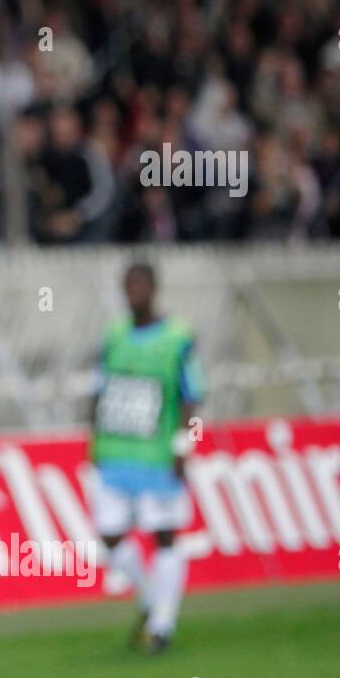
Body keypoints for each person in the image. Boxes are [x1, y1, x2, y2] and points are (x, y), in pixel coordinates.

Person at [89, 262, 205, 653]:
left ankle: (162, 625)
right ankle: (151, 599)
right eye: (128, 285)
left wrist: (183, 447)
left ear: (154, 288)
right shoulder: (114, 335)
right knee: (110, 535)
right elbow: (99, 389)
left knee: (164, 537)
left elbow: (192, 397)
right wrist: (94, 439)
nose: (133, 291)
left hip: (158, 457)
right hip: (115, 452)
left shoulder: (178, 338)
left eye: (140, 284)